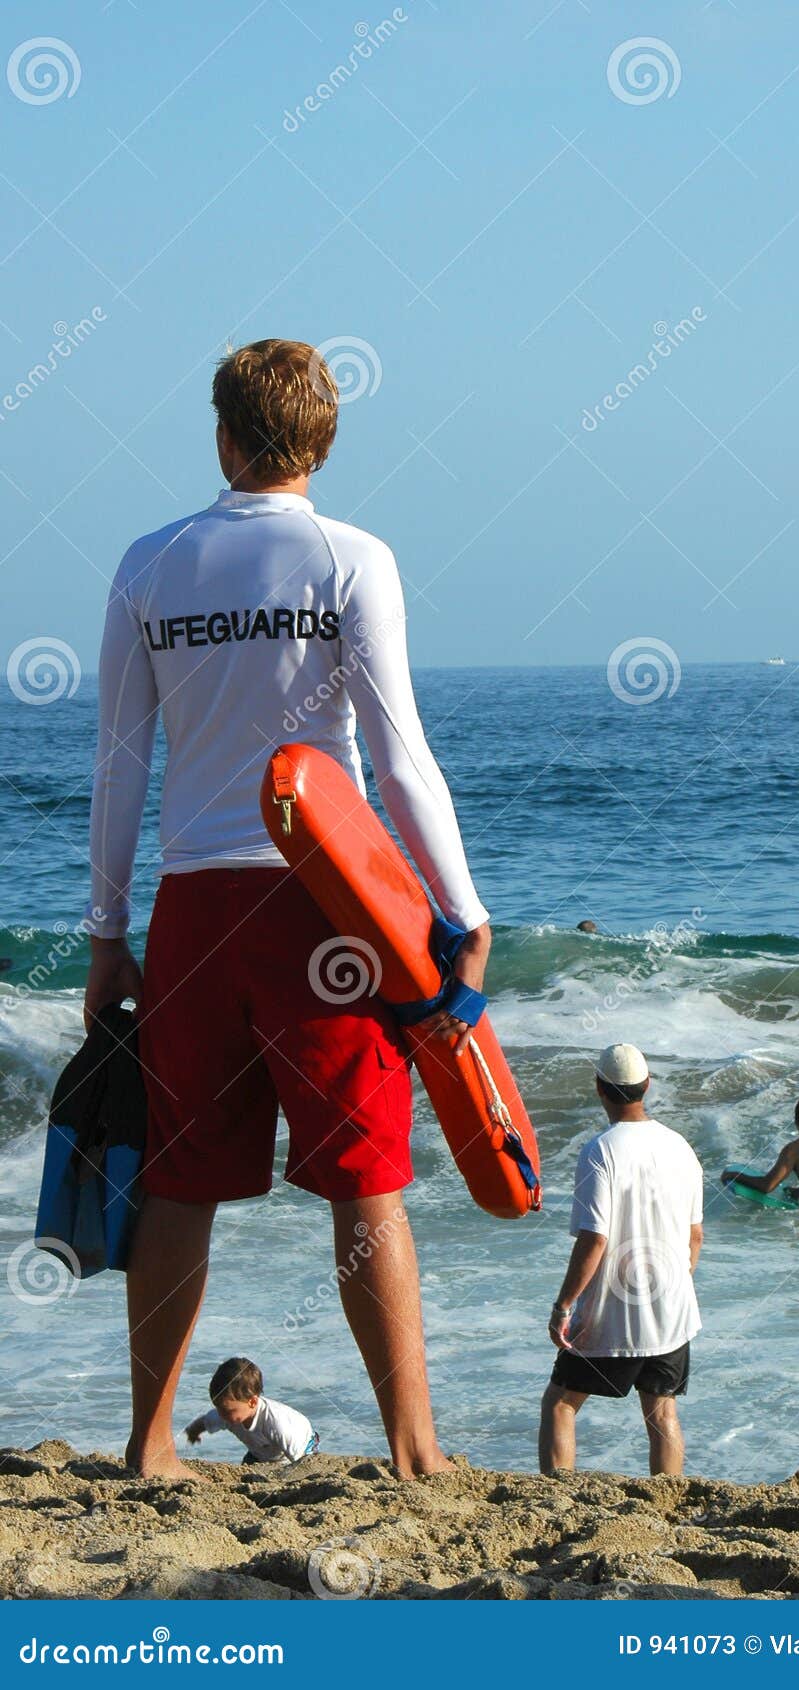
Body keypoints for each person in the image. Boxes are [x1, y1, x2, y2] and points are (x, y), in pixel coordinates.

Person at [84, 339, 491, 1481]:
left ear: (222, 434)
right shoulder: (352, 558)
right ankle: (415, 1449)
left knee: (181, 1177)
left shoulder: (147, 565)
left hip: (194, 909)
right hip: (325, 905)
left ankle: (152, 1444)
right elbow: (400, 757)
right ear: (323, 439)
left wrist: (108, 935)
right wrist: (461, 909)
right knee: (365, 1178)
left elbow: (121, 762)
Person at [539, 1043, 703, 1478]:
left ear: (599, 1089)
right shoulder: (680, 1146)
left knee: (561, 1403)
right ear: (646, 1086)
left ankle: (556, 1497)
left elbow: (594, 1240)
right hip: (671, 1308)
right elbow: (695, 1236)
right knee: (662, 1414)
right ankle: (666, 1503)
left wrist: (564, 1306)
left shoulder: (600, 1151)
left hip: (612, 1311)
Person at [185, 1357, 317, 1464]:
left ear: (252, 1402)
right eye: (217, 1407)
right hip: (261, 1451)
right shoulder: (226, 1413)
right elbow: (204, 1422)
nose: (220, 1414)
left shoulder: (276, 1424)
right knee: (246, 1473)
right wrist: (193, 1432)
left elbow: (302, 1462)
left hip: (303, 1443)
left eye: (226, 1410)